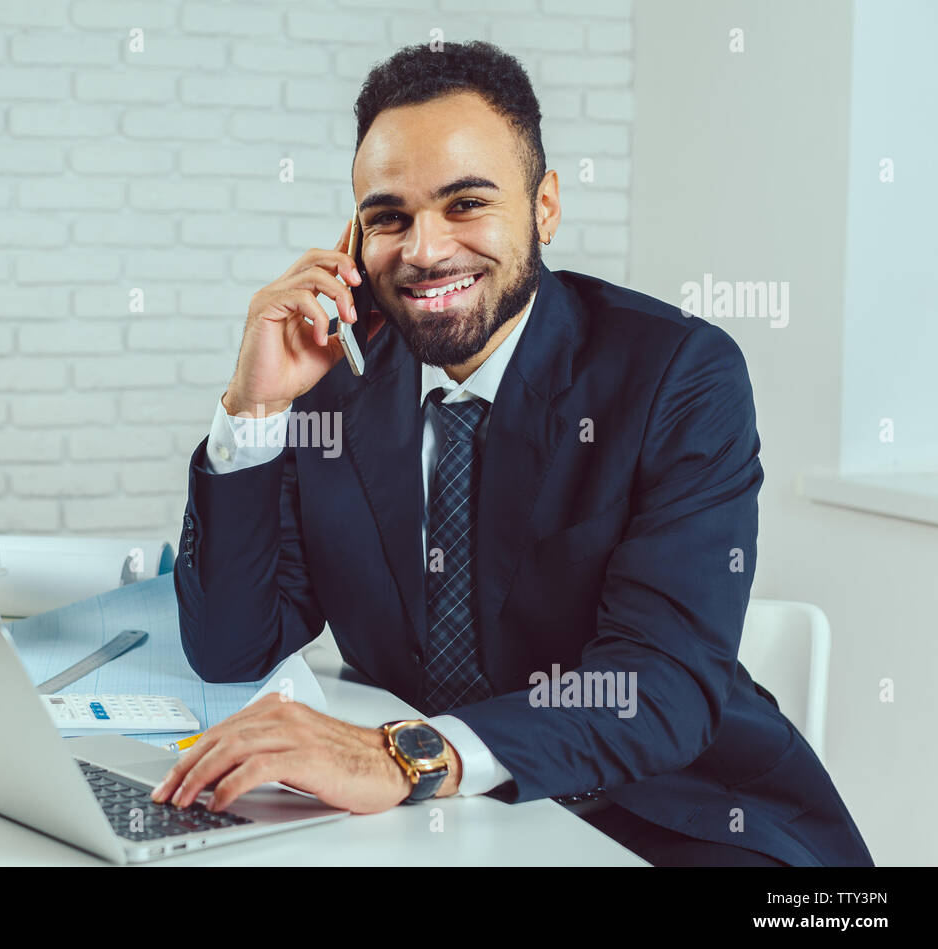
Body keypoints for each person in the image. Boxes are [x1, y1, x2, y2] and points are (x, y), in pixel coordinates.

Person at [150, 40, 872, 867]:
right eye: (389, 216)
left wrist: (407, 755)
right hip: (442, 833)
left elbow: (660, 687)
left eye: (466, 204)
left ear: (545, 207)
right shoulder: (333, 385)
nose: (423, 250)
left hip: (678, 819)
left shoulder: (676, 375)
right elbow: (232, 647)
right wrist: (256, 407)